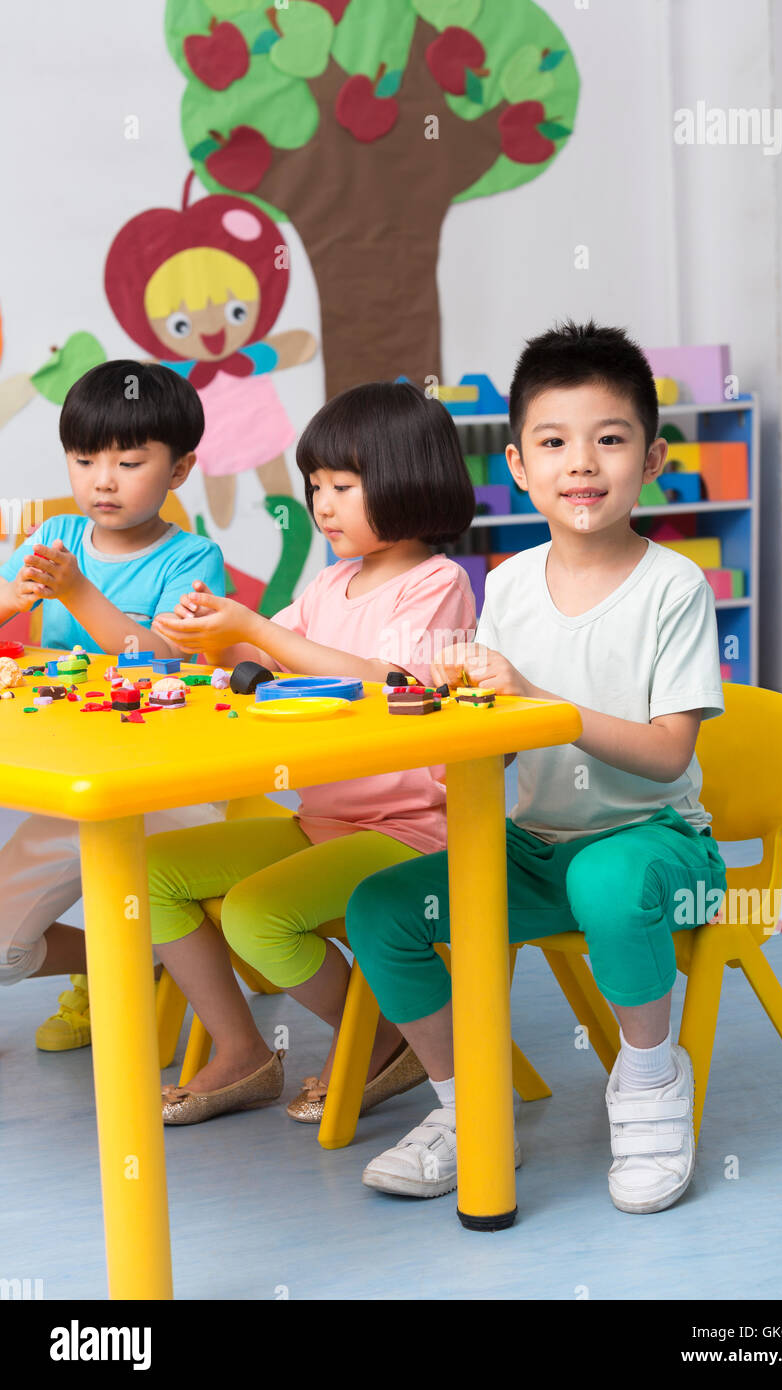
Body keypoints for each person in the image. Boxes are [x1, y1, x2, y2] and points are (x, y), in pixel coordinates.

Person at [344, 321, 728, 1215]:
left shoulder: (674, 587)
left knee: (607, 876)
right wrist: (463, 709)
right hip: (537, 848)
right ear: (518, 466)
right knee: (381, 909)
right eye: (554, 442)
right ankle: (467, 1105)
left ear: (653, 456)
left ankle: (647, 1081)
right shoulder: (509, 583)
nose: (581, 462)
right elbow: (503, 730)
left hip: (660, 848)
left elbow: (669, 751)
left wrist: (534, 696)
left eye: (610, 438)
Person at [145, 380, 477, 1125]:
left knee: (256, 915)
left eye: (344, 486)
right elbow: (271, 655)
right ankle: (243, 1050)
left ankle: (382, 1034)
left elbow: (386, 680)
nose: (322, 504)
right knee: (151, 872)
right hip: (322, 819)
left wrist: (257, 634)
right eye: (316, 485)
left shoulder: (437, 583)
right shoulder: (333, 581)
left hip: (409, 833)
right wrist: (207, 635)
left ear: (407, 481)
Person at [0, 360, 225, 1049]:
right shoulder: (56, 539)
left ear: (180, 470)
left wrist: (76, 593)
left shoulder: (193, 558)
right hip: (76, 785)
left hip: (165, 786)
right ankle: (127, 966)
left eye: (129, 461)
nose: (103, 479)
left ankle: (155, 959)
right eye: (84, 459)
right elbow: (10, 604)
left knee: (148, 897)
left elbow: (165, 660)